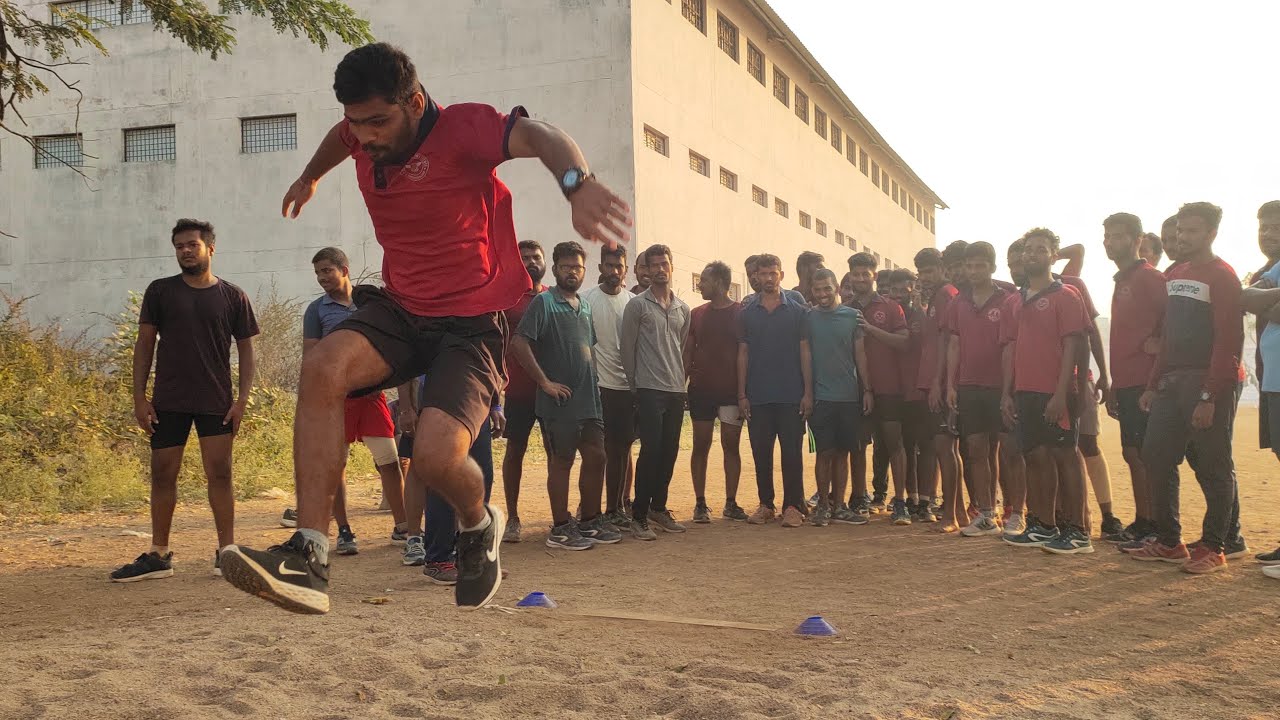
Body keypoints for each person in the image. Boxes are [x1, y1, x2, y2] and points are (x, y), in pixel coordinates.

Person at [220, 42, 631, 614]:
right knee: (322, 367)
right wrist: (309, 176)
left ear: (413, 102)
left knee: (436, 459)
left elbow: (539, 134)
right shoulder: (362, 132)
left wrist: (576, 183)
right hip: (404, 309)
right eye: (355, 123)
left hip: (470, 323)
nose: (365, 137)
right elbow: (338, 141)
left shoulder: (464, 129)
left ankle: (478, 521)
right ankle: (309, 556)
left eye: (377, 123)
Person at [112, 219, 258, 582]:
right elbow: (144, 345)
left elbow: (248, 353)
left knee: (220, 474)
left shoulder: (233, 296)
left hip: (216, 401)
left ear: (210, 248)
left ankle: (227, 552)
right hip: (169, 400)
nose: (185, 251)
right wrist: (139, 397)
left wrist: (242, 401)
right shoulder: (160, 292)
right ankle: (159, 555)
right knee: (163, 475)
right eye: (179, 246)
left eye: (192, 244)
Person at [1131, 202, 1243, 574]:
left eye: (1192, 231)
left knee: (1213, 466)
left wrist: (1210, 394)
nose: (1183, 237)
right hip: (1170, 381)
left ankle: (1215, 546)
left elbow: (1229, 340)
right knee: (1156, 456)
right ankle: (1169, 541)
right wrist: (1152, 383)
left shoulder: (1223, 276)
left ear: (1211, 233)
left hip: (1207, 381)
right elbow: (1169, 336)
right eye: (1180, 230)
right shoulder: (1174, 272)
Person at [289, 247, 409, 556]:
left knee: (389, 462)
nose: (322, 278)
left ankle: (403, 527)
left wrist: (407, 403)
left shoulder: (372, 305)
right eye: (318, 273)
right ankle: (344, 531)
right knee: (335, 465)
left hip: (372, 398)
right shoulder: (317, 311)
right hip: (337, 401)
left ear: (344, 269)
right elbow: (311, 357)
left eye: (327, 270)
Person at [510, 241, 618, 550]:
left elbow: (587, 349)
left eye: (578, 267)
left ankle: (590, 521)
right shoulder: (544, 302)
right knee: (562, 461)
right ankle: (560, 528)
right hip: (559, 402)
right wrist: (544, 382)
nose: (573, 272)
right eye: (567, 266)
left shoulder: (584, 305)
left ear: (585, 271)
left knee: (597, 457)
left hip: (588, 400)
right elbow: (519, 343)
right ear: (556, 269)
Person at [1001, 228, 1093, 555]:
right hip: (1024, 392)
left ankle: (1077, 531)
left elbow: (1074, 346)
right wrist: (1006, 393)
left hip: (1055, 392)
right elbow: (1011, 349)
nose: (1032, 255)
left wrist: (1061, 393)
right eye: (1028, 249)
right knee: (1035, 457)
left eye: (1041, 249)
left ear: (1054, 256)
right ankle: (1042, 524)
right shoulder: (1016, 300)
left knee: (1064, 456)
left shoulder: (1066, 295)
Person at [1100, 213, 1168, 544]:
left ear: (1137, 239)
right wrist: (1114, 382)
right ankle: (1143, 521)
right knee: (1131, 452)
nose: (1110, 242)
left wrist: (1159, 352)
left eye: (1118, 235)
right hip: (1125, 381)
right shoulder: (1121, 280)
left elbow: (1172, 320)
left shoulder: (1150, 278)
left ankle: (1155, 525)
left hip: (1146, 381)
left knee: (1144, 454)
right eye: (1107, 236)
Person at [945, 242, 1017, 538]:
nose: (974, 272)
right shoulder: (958, 303)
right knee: (976, 450)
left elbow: (1011, 346)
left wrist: (1008, 390)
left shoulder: (1008, 299)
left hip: (1000, 387)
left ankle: (1015, 513)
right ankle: (986, 514)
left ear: (992, 267)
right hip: (968, 387)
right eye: (969, 266)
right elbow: (954, 344)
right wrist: (951, 384)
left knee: (1009, 452)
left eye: (980, 266)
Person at [621, 244, 691, 539]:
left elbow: (682, 348)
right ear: (646, 271)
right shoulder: (637, 305)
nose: (660, 269)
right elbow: (627, 349)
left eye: (665, 263)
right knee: (650, 451)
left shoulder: (682, 308)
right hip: (648, 389)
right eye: (654, 265)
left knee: (670, 452)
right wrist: (635, 387)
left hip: (676, 390)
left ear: (672, 266)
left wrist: (681, 384)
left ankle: (658, 508)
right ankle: (638, 516)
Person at [738, 254, 812, 527]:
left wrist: (807, 392)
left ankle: (793, 506)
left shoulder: (797, 311)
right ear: (756, 276)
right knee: (761, 452)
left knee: (792, 452)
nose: (767, 279)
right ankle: (766, 504)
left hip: (791, 393)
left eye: (773, 274)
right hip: (758, 395)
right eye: (762, 274)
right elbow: (742, 354)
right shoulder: (747, 313)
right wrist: (742, 395)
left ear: (781, 275)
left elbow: (805, 351)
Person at [1054, 251, 1119, 538]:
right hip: (1046, 385)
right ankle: (1076, 514)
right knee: (1057, 451)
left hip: (1082, 380)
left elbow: (1091, 334)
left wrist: (1104, 374)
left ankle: (1109, 516)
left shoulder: (1072, 284)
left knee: (1088, 445)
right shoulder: (1021, 296)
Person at [846, 252, 912, 525]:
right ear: (850, 276)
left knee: (894, 443)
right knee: (858, 445)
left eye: (866, 274)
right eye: (856, 274)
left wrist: (871, 329)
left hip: (888, 387)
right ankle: (860, 498)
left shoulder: (891, 307)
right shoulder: (844, 309)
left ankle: (900, 502)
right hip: (856, 389)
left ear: (874, 275)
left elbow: (904, 342)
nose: (861, 279)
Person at [805, 268, 872, 526]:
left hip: (848, 398)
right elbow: (805, 356)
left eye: (827, 289)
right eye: (817, 289)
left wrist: (867, 390)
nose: (822, 294)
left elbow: (861, 355)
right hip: (821, 398)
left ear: (837, 289)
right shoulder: (808, 318)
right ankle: (822, 505)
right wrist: (808, 394)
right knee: (824, 452)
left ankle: (840, 505)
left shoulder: (853, 316)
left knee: (843, 453)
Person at [685, 261, 748, 522]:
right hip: (701, 390)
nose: (700, 285)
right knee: (701, 444)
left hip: (732, 391)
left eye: (705, 281)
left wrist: (744, 392)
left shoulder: (741, 313)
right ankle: (700, 504)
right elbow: (688, 351)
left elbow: (745, 352)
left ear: (721, 284)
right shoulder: (696, 314)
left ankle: (730, 503)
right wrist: (682, 382)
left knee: (730, 445)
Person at [581, 244, 636, 531]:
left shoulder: (633, 303)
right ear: (600, 267)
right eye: (609, 265)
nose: (614, 271)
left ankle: (615, 509)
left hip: (626, 389)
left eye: (619, 266)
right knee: (595, 451)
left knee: (620, 450)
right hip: (596, 387)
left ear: (626, 270)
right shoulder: (586, 300)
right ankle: (587, 508)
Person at [500, 240, 548, 543]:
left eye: (536, 257)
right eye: (525, 257)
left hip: (551, 389)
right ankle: (514, 517)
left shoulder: (553, 297)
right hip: (516, 388)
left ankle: (560, 516)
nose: (531, 262)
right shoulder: (506, 298)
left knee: (558, 453)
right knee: (515, 451)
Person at [1242, 200, 1280, 577]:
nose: (1267, 234)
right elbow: (1244, 298)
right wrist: (1266, 298)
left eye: (1276, 227)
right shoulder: (1270, 270)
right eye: (1263, 227)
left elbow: (1256, 301)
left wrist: (1260, 299)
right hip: (1273, 379)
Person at [916, 247, 964, 530]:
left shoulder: (947, 295)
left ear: (942, 269)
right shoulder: (935, 297)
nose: (925, 276)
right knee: (942, 447)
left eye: (930, 270)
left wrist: (938, 383)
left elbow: (949, 341)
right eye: (922, 271)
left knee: (946, 447)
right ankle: (957, 512)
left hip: (942, 384)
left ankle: (952, 514)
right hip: (932, 381)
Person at [887, 268, 936, 522]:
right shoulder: (888, 315)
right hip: (896, 391)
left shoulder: (923, 315)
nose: (898, 294)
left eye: (903, 289)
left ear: (912, 288)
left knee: (927, 446)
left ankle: (926, 502)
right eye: (893, 290)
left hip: (921, 390)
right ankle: (910, 497)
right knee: (903, 447)